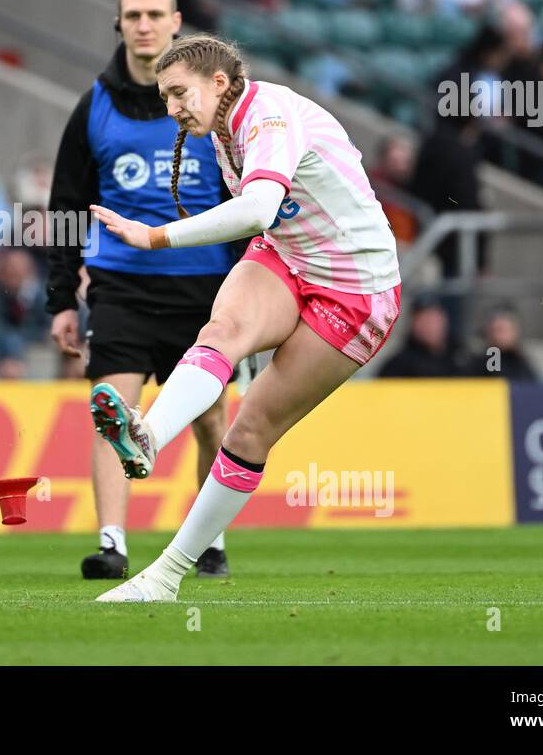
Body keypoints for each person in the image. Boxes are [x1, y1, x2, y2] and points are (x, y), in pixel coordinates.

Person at [83, 34, 401, 602]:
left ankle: (165, 576)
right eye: (164, 97)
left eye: (179, 93)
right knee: (221, 332)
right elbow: (265, 222)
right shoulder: (221, 129)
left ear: (219, 83)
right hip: (289, 255)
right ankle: (148, 435)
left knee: (250, 430)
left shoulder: (269, 115)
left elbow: (256, 210)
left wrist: (155, 237)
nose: (171, 108)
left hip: (356, 287)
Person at [47, 0, 239, 582]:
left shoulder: (213, 105)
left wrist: (253, 294)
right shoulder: (94, 106)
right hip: (121, 286)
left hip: (204, 288)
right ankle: (112, 546)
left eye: (155, 14)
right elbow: (65, 205)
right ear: (120, 24)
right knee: (112, 410)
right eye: (133, 15)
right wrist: (61, 298)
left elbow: (245, 197)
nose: (144, 24)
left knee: (211, 422)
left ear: (176, 22)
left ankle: (209, 542)